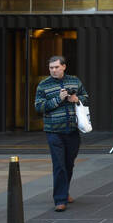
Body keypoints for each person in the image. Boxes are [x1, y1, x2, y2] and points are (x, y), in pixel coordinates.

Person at [34, 56, 89, 212]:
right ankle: (59, 199)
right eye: (51, 68)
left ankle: (64, 191)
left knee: (69, 163)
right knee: (59, 165)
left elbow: (86, 97)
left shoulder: (74, 81)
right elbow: (38, 107)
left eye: (56, 67)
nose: (53, 70)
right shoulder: (43, 85)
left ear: (64, 66)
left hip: (72, 129)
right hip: (54, 131)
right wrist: (58, 99)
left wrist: (76, 99)